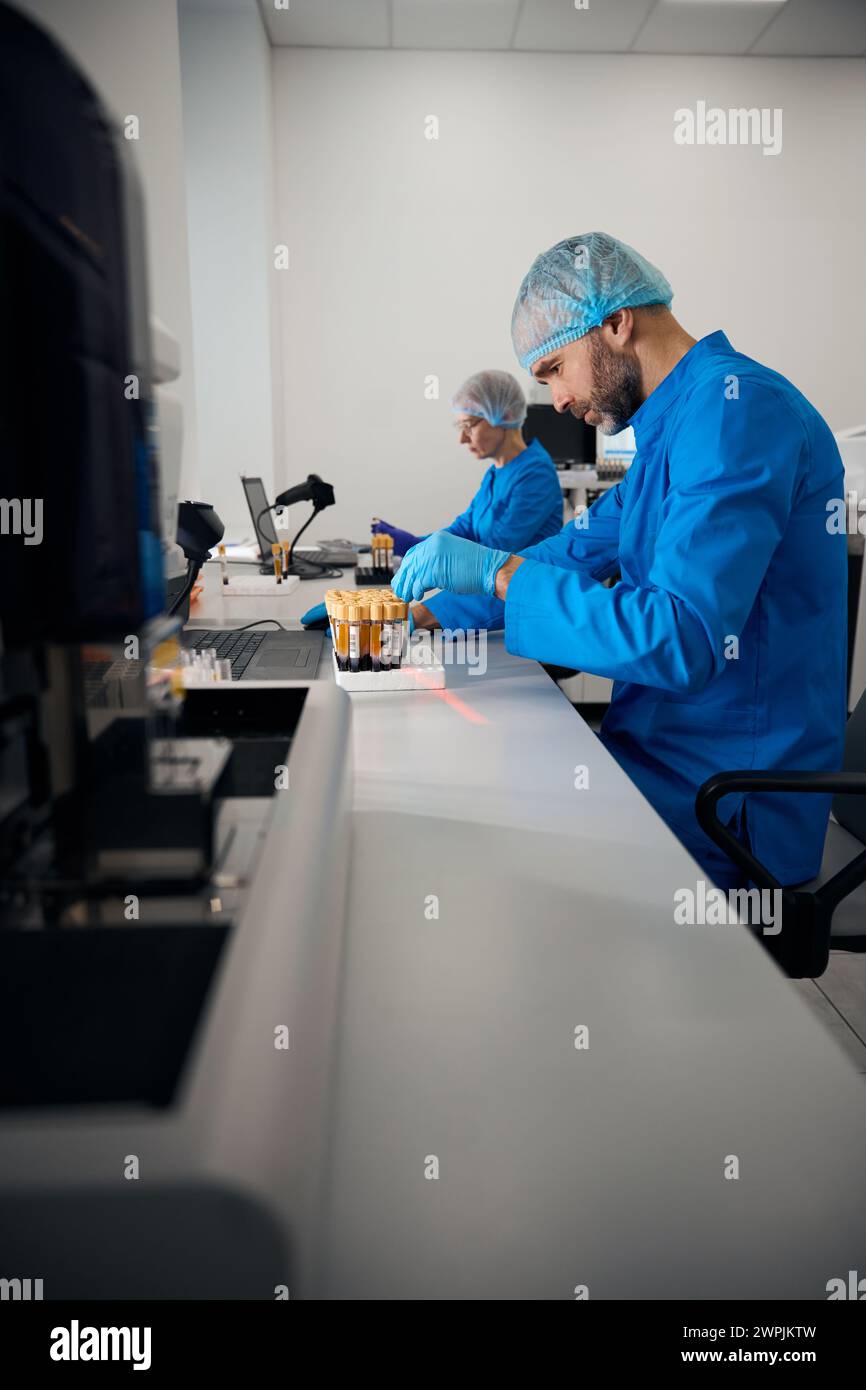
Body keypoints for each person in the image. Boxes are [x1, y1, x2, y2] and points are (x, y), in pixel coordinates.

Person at [393, 231, 847, 892]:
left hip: (729, 800)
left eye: (553, 369)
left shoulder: (737, 411)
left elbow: (683, 637)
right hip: (666, 756)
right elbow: (571, 551)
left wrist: (498, 574)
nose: (555, 401)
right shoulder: (677, 425)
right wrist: (424, 611)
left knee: (468, 840)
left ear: (615, 323)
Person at [300, 369, 562, 629]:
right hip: (485, 600)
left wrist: (408, 605)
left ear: (504, 416)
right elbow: (465, 529)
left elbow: (490, 557)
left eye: (468, 426)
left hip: (516, 607)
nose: (462, 438)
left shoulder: (534, 474)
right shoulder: (496, 473)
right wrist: (417, 546)